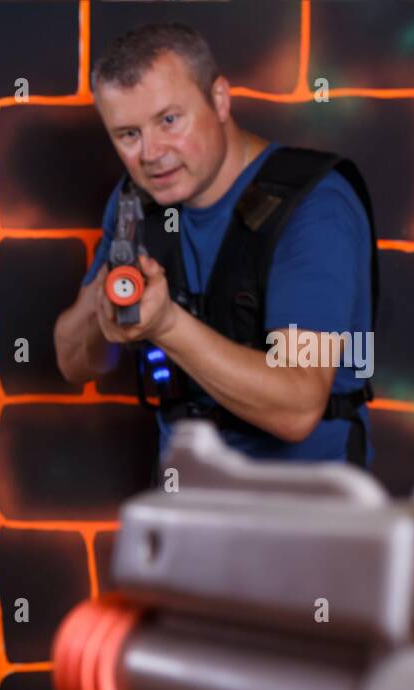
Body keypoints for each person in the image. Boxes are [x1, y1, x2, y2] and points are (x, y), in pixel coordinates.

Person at [54, 22, 378, 468]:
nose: (151, 153)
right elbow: (76, 364)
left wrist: (164, 323)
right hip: (186, 506)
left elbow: (298, 405)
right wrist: (107, 299)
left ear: (220, 99)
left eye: (169, 120)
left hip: (308, 513)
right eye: (128, 134)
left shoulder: (315, 207)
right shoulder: (135, 204)